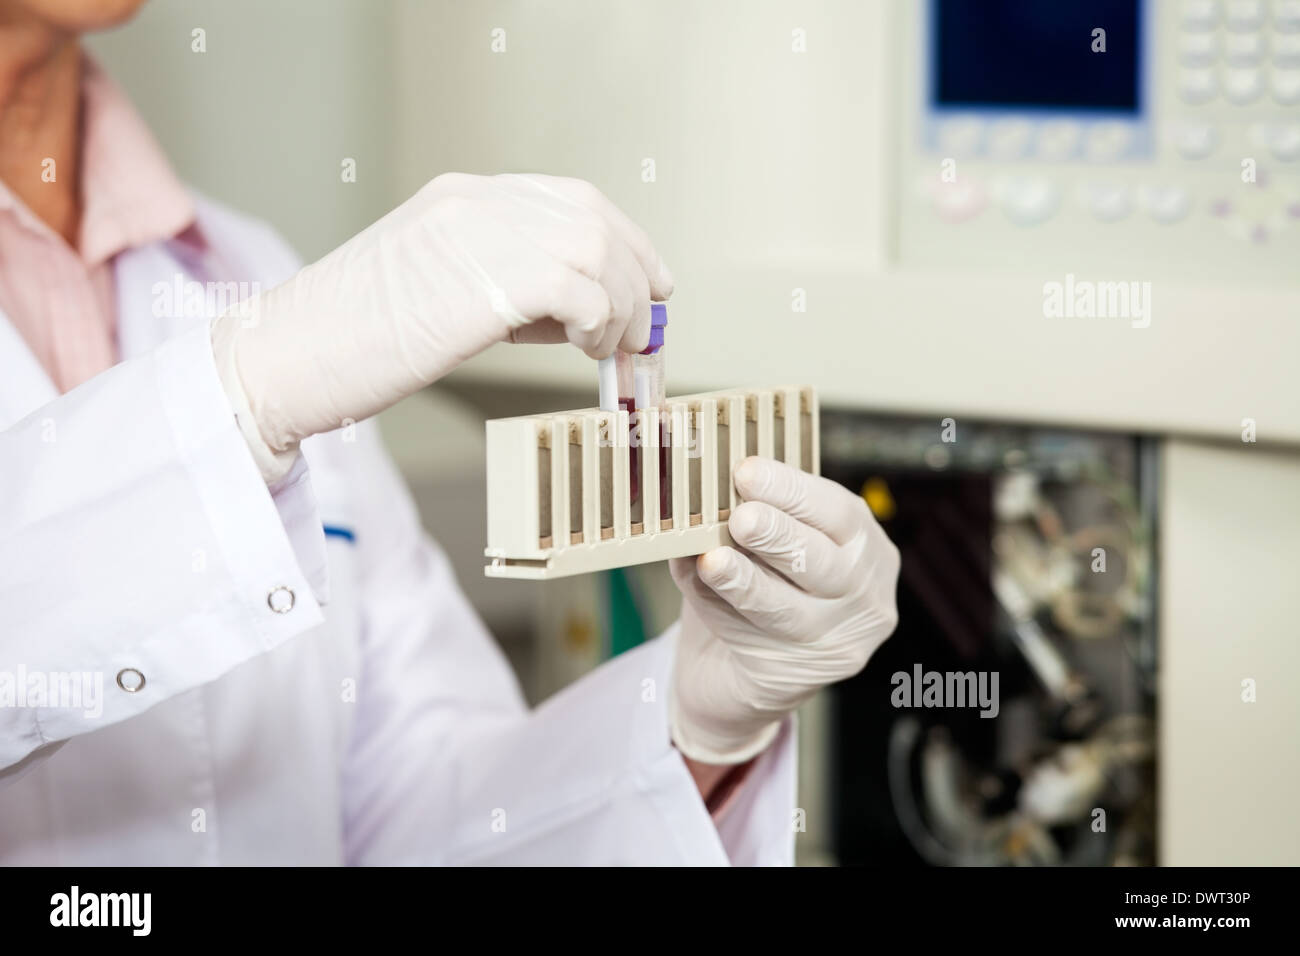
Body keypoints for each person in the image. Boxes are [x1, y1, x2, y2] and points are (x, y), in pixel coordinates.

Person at [0, 0, 900, 865]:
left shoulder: (240, 270)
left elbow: (423, 818)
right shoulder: (268, 335)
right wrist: (242, 391)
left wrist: (692, 732)